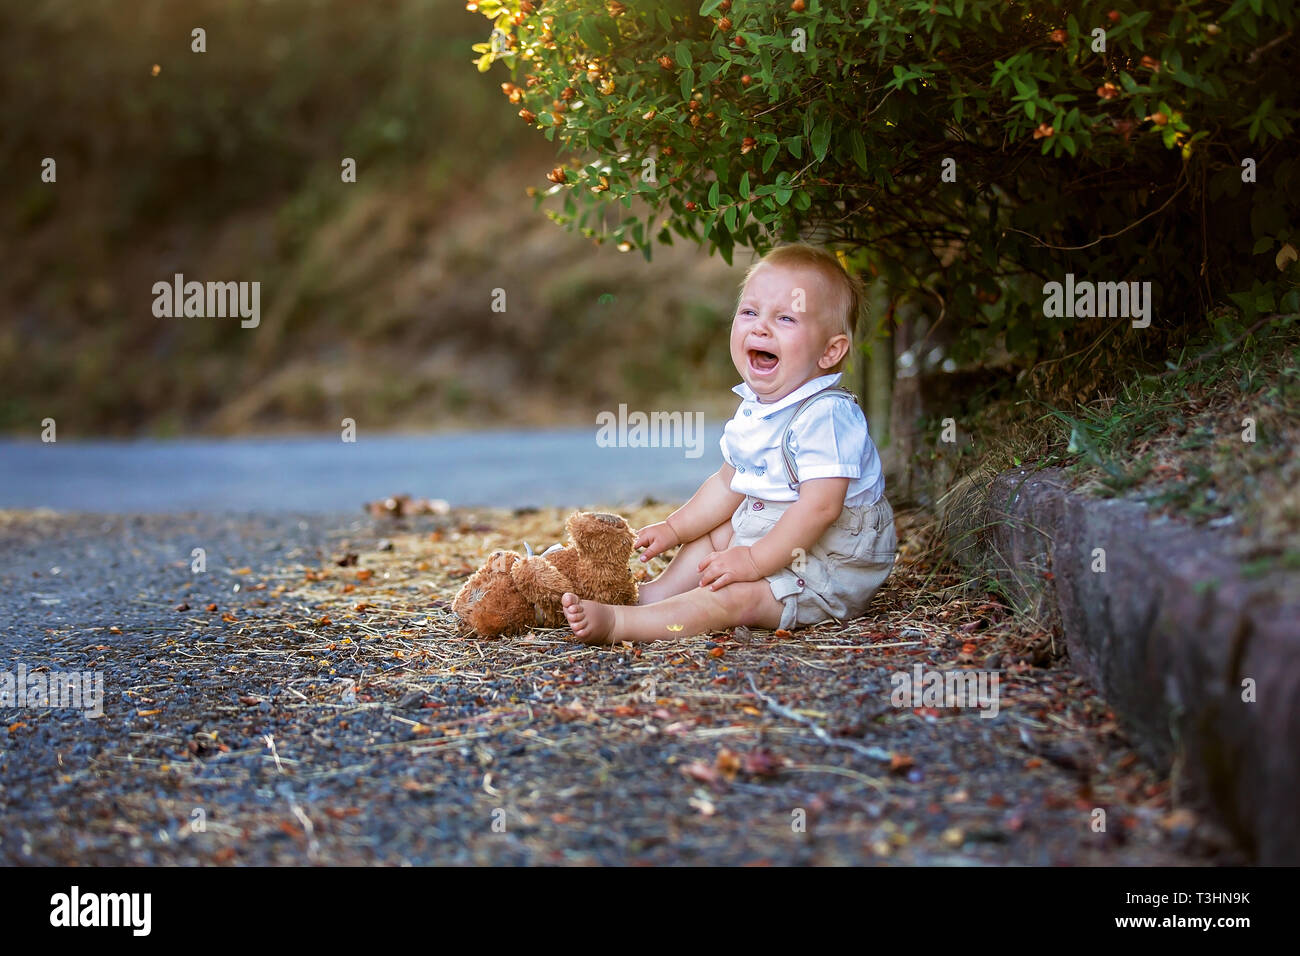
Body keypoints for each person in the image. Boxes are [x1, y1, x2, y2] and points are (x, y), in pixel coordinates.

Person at [562, 242, 896, 644]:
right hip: (776, 535)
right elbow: (727, 484)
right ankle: (652, 598)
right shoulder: (757, 407)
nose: (760, 327)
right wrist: (674, 528)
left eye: (786, 318)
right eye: (750, 312)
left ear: (830, 351)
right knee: (712, 535)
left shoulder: (827, 416)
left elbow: (820, 508)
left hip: (826, 565)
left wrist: (753, 561)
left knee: (734, 597)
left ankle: (621, 626)